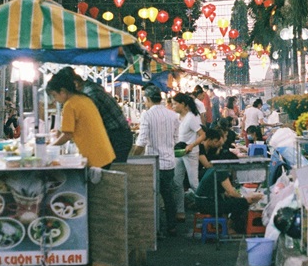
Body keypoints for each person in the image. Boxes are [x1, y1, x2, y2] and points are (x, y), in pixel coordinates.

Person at [57, 67, 134, 163]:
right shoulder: (88, 89)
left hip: (117, 137)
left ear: (75, 83)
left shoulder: (90, 94)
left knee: (112, 173)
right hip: (116, 135)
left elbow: (88, 123)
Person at [131, 84, 180, 236]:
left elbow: (142, 140)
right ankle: (172, 227)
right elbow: (176, 139)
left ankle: (156, 229)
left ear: (148, 99)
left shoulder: (147, 115)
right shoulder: (173, 115)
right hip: (169, 162)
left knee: (152, 197)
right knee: (168, 196)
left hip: (153, 163)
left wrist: (133, 157)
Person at [46, 71, 116, 168]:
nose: (54, 100)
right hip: (105, 153)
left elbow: (67, 135)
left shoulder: (69, 105)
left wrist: (49, 148)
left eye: (54, 95)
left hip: (94, 157)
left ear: (62, 92)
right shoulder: (84, 98)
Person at [195, 166, 264, 234]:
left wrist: (240, 195)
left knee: (235, 200)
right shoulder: (222, 171)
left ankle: (226, 225)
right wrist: (245, 197)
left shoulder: (214, 168)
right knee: (242, 203)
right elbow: (231, 192)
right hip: (207, 204)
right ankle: (228, 227)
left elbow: (226, 192)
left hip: (202, 202)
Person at [172, 93, 206, 222]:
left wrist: (192, 145)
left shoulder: (191, 118)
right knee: (177, 182)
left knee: (193, 183)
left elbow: (202, 135)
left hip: (190, 153)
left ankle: (205, 207)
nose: (173, 106)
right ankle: (180, 211)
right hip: (179, 152)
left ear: (183, 104)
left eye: (176, 103)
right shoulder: (176, 117)